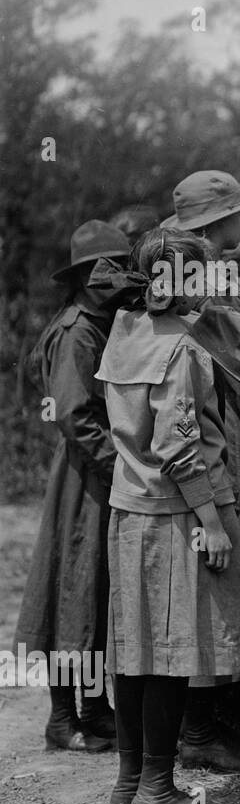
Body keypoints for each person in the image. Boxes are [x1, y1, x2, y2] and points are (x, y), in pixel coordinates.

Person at [96, 228, 240, 804]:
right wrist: (212, 523)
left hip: (128, 509)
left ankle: (127, 786)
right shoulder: (185, 348)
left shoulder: (125, 331)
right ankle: (159, 790)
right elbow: (180, 446)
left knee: (134, 648)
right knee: (171, 654)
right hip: (174, 514)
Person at [166, 169, 240, 771]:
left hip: (194, 439)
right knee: (215, 581)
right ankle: (200, 732)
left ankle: (210, 720)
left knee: (205, 584)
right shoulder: (208, 289)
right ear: (216, 225)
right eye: (238, 214)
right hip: (216, 437)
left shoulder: (180, 281)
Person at [14, 221, 131, 753]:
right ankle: (63, 718)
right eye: (106, 268)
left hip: (98, 468)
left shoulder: (103, 323)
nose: (116, 277)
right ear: (85, 276)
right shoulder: (77, 331)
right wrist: (119, 467)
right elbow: (75, 414)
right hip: (87, 471)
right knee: (75, 587)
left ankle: (95, 708)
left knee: (98, 587)